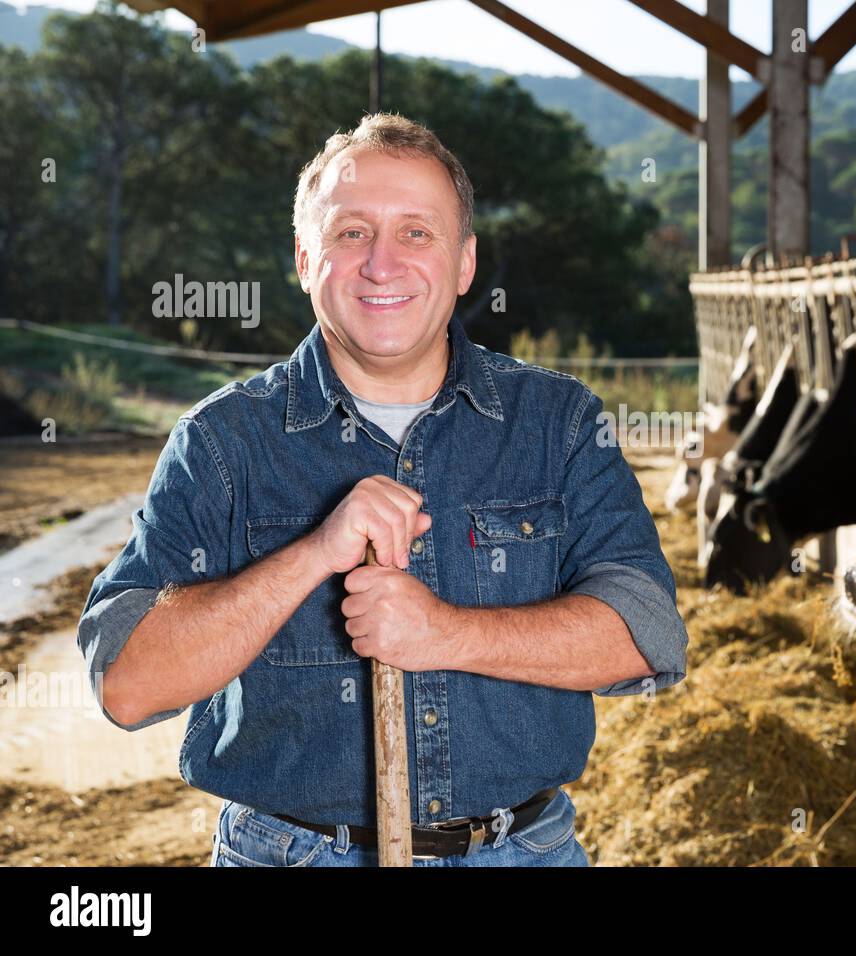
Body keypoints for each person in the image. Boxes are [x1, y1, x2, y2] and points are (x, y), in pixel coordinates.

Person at [76, 112, 689, 867]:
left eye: (417, 234)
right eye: (351, 233)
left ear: (465, 264)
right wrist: (312, 555)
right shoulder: (224, 442)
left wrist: (443, 634)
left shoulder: (556, 422)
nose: (382, 263)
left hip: (522, 851)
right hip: (291, 855)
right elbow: (128, 686)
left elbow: (646, 633)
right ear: (305, 258)